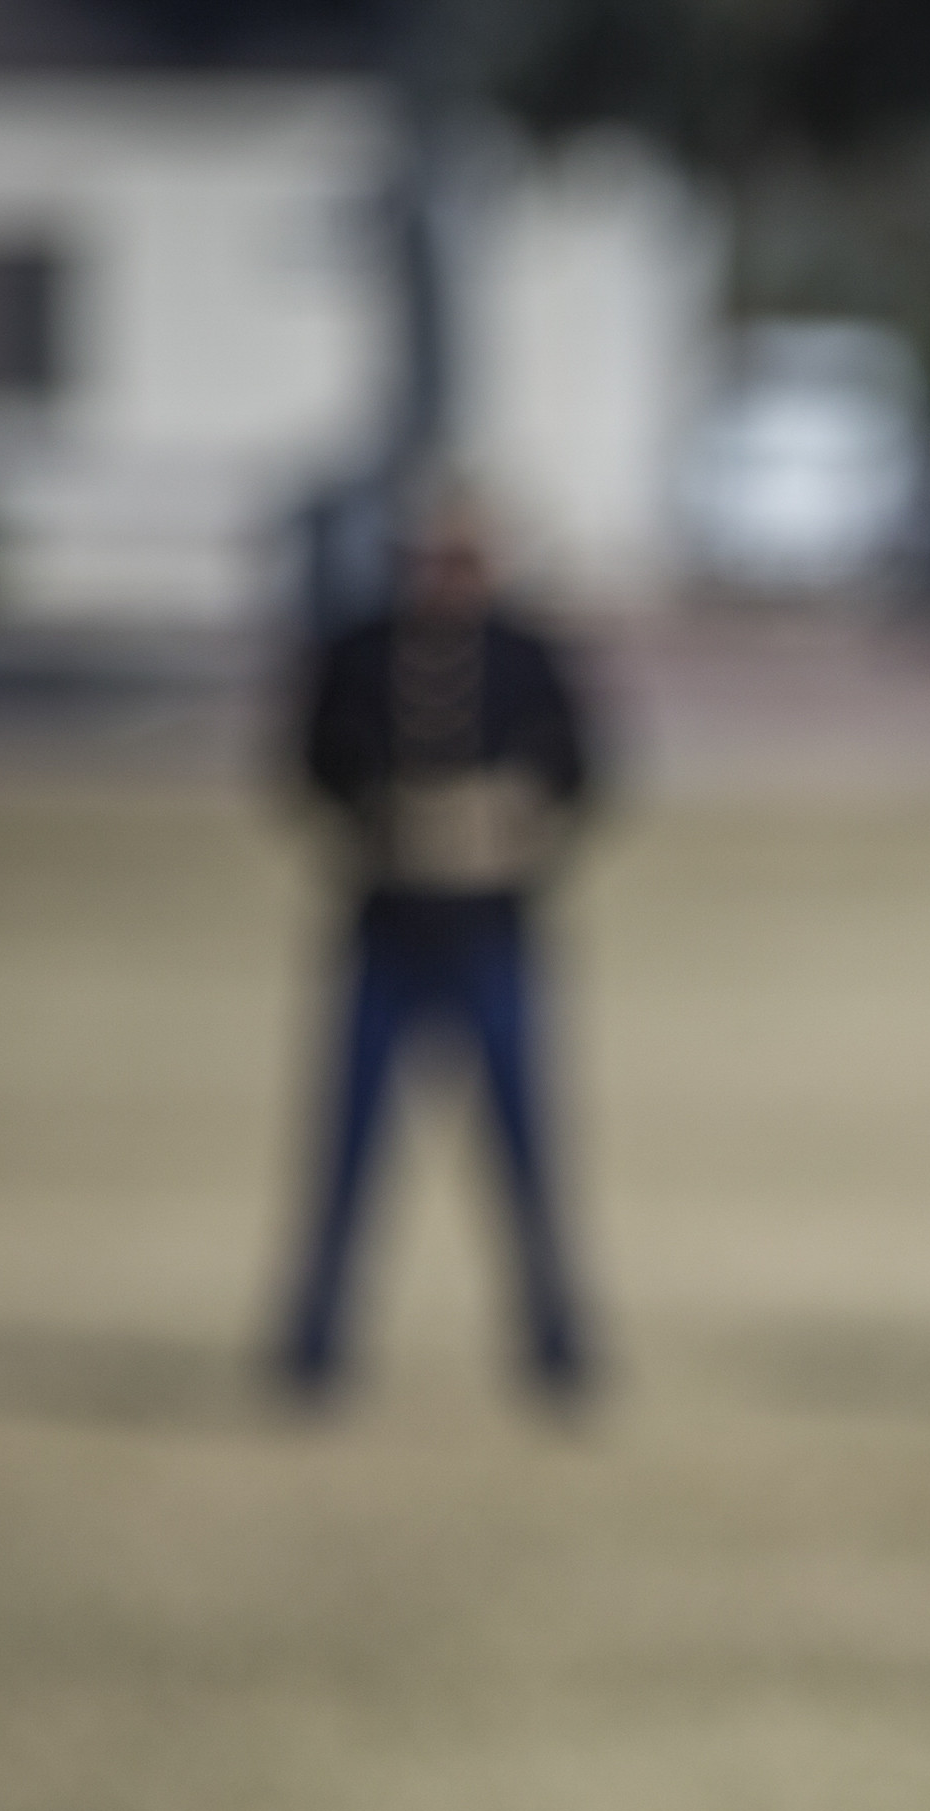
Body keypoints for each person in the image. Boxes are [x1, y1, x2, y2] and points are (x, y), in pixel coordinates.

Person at [272, 485, 600, 1406]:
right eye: (431, 559)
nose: (446, 576)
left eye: (464, 559)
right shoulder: (358, 654)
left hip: (494, 926)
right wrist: (379, 816)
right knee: (347, 1152)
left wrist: (514, 827)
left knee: (528, 1154)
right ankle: (315, 1349)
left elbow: (581, 769)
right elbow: (308, 764)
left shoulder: (527, 658)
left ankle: (556, 1348)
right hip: (388, 925)